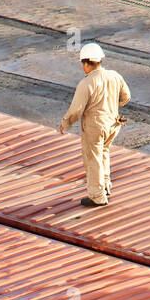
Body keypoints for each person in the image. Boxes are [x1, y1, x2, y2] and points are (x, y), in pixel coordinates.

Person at [59, 43, 130, 207]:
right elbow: (126, 97)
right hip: (113, 123)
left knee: (93, 159)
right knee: (104, 153)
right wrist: (111, 107)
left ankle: (97, 196)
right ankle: (105, 187)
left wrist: (65, 123)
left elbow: (76, 109)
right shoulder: (115, 76)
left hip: (95, 126)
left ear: (85, 63)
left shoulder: (86, 83)